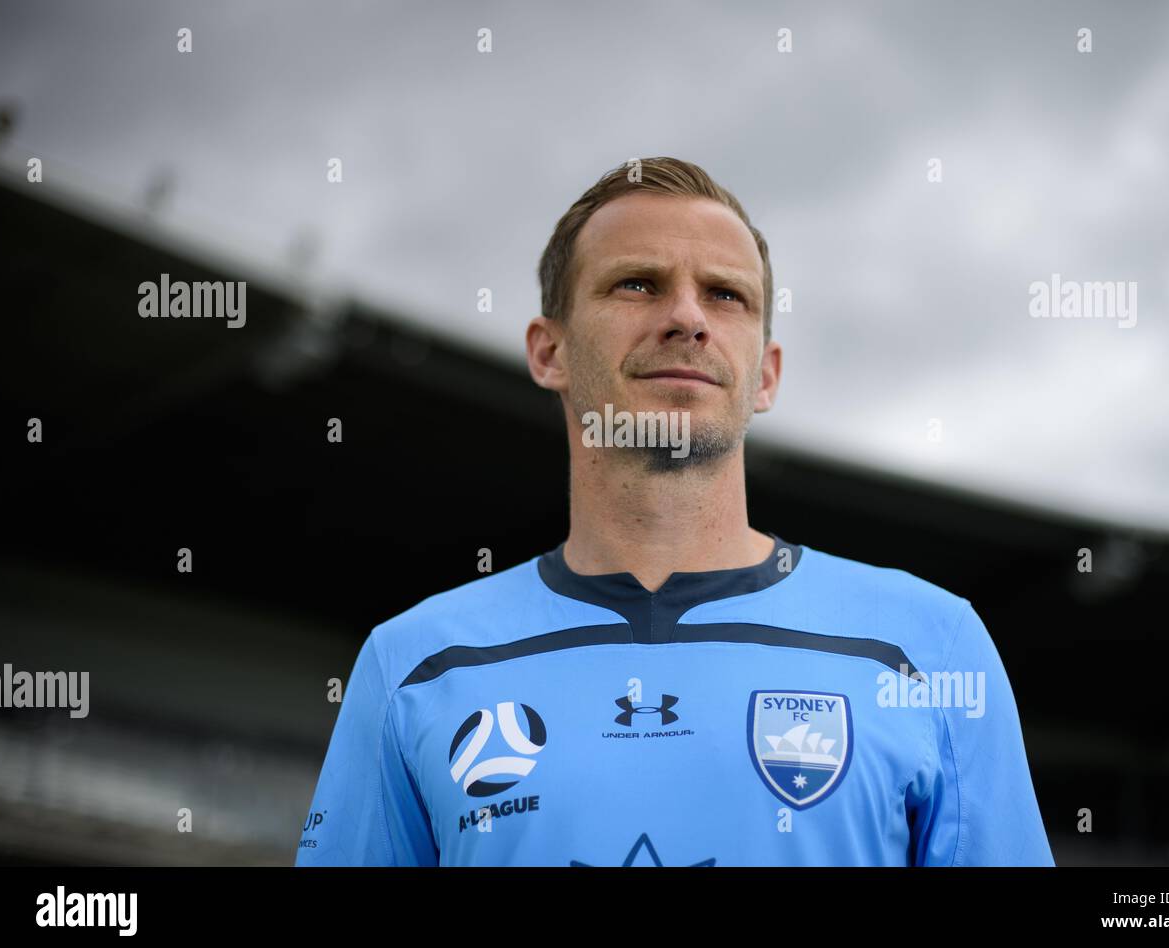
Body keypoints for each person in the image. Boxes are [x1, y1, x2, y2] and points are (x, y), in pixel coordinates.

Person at [295, 157, 1054, 866]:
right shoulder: (413, 667)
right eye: (637, 285)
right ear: (548, 352)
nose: (688, 317)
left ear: (766, 373)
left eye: (725, 295)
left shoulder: (931, 647)